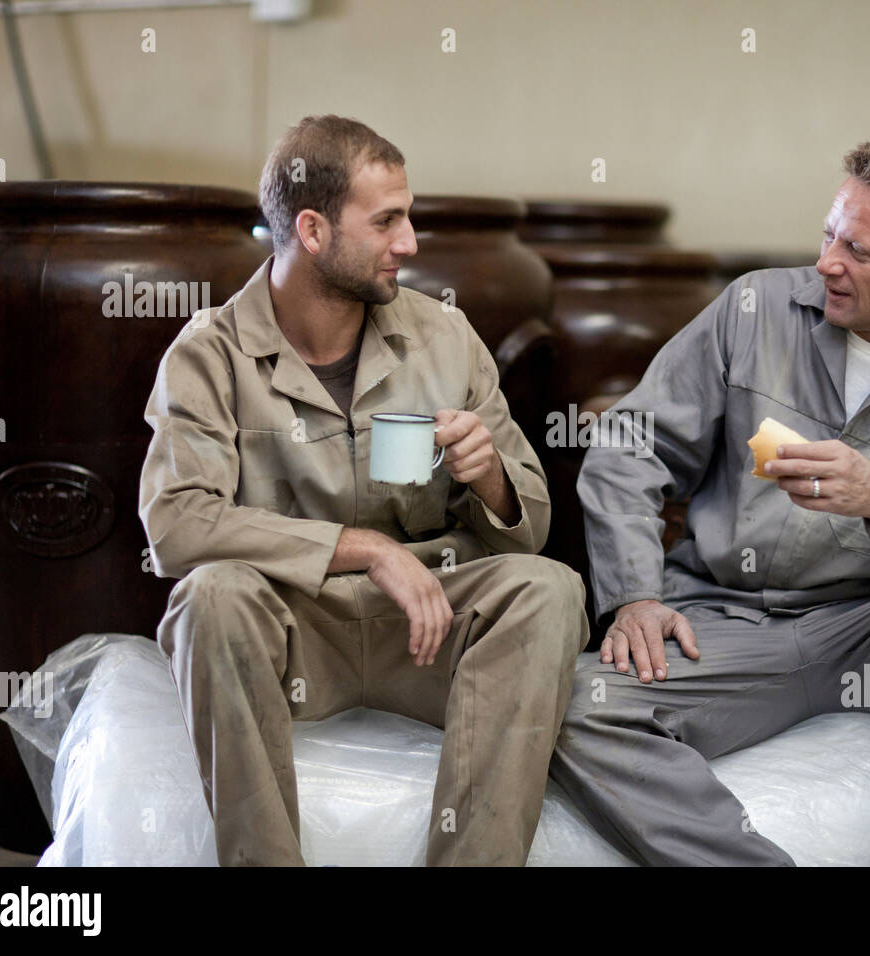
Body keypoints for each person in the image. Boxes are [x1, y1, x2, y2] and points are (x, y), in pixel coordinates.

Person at [549, 139, 870, 866]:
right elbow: (629, 444)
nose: (829, 261)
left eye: (860, 251)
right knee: (576, 709)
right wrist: (634, 595)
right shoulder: (754, 308)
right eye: (829, 232)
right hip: (727, 621)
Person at [139, 115, 588, 866]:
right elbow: (177, 526)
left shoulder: (446, 336)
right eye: (387, 221)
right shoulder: (209, 354)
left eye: (407, 217)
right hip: (290, 641)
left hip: (428, 630)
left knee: (548, 589)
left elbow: (529, 532)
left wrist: (490, 480)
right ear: (312, 230)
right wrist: (366, 549)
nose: (410, 243)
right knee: (210, 596)